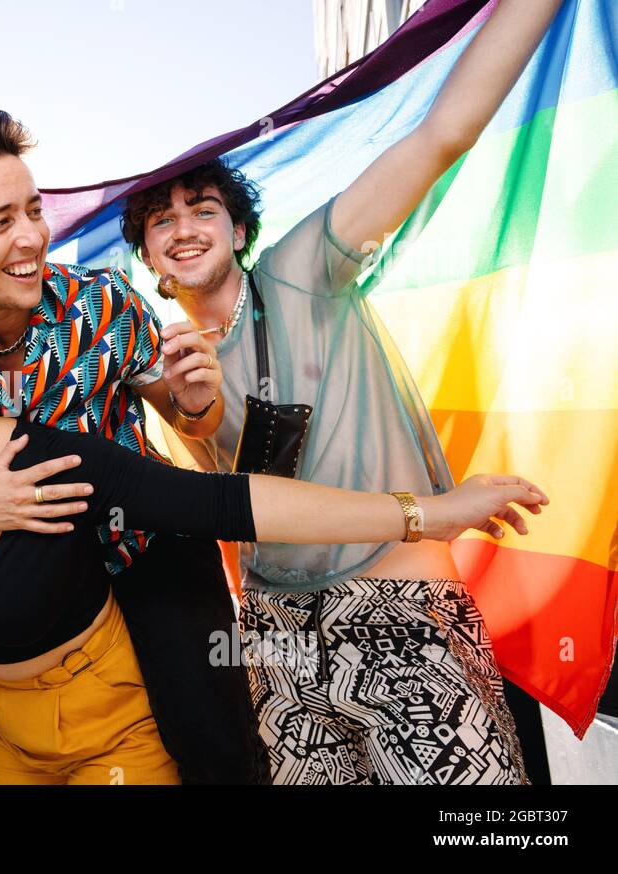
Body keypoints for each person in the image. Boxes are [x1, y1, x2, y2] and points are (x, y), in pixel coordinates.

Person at [0, 272, 548, 784]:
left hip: (114, 727)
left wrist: (423, 512)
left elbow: (224, 503)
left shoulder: (50, 459)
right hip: (14, 740)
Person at [118, 0, 563, 784]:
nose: (183, 225)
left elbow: (440, 135)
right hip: (274, 632)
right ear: (150, 259)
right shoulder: (161, 361)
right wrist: (188, 405)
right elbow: (222, 469)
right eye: (161, 220)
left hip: (396, 604)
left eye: (203, 208)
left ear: (241, 232)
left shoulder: (303, 271)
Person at [0, 109, 267, 784]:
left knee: (212, 746)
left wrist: (196, 401)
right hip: (19, 573)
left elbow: (190, 425)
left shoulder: (102, 305)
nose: (32, 237)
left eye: (32, 211)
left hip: (140, 552)